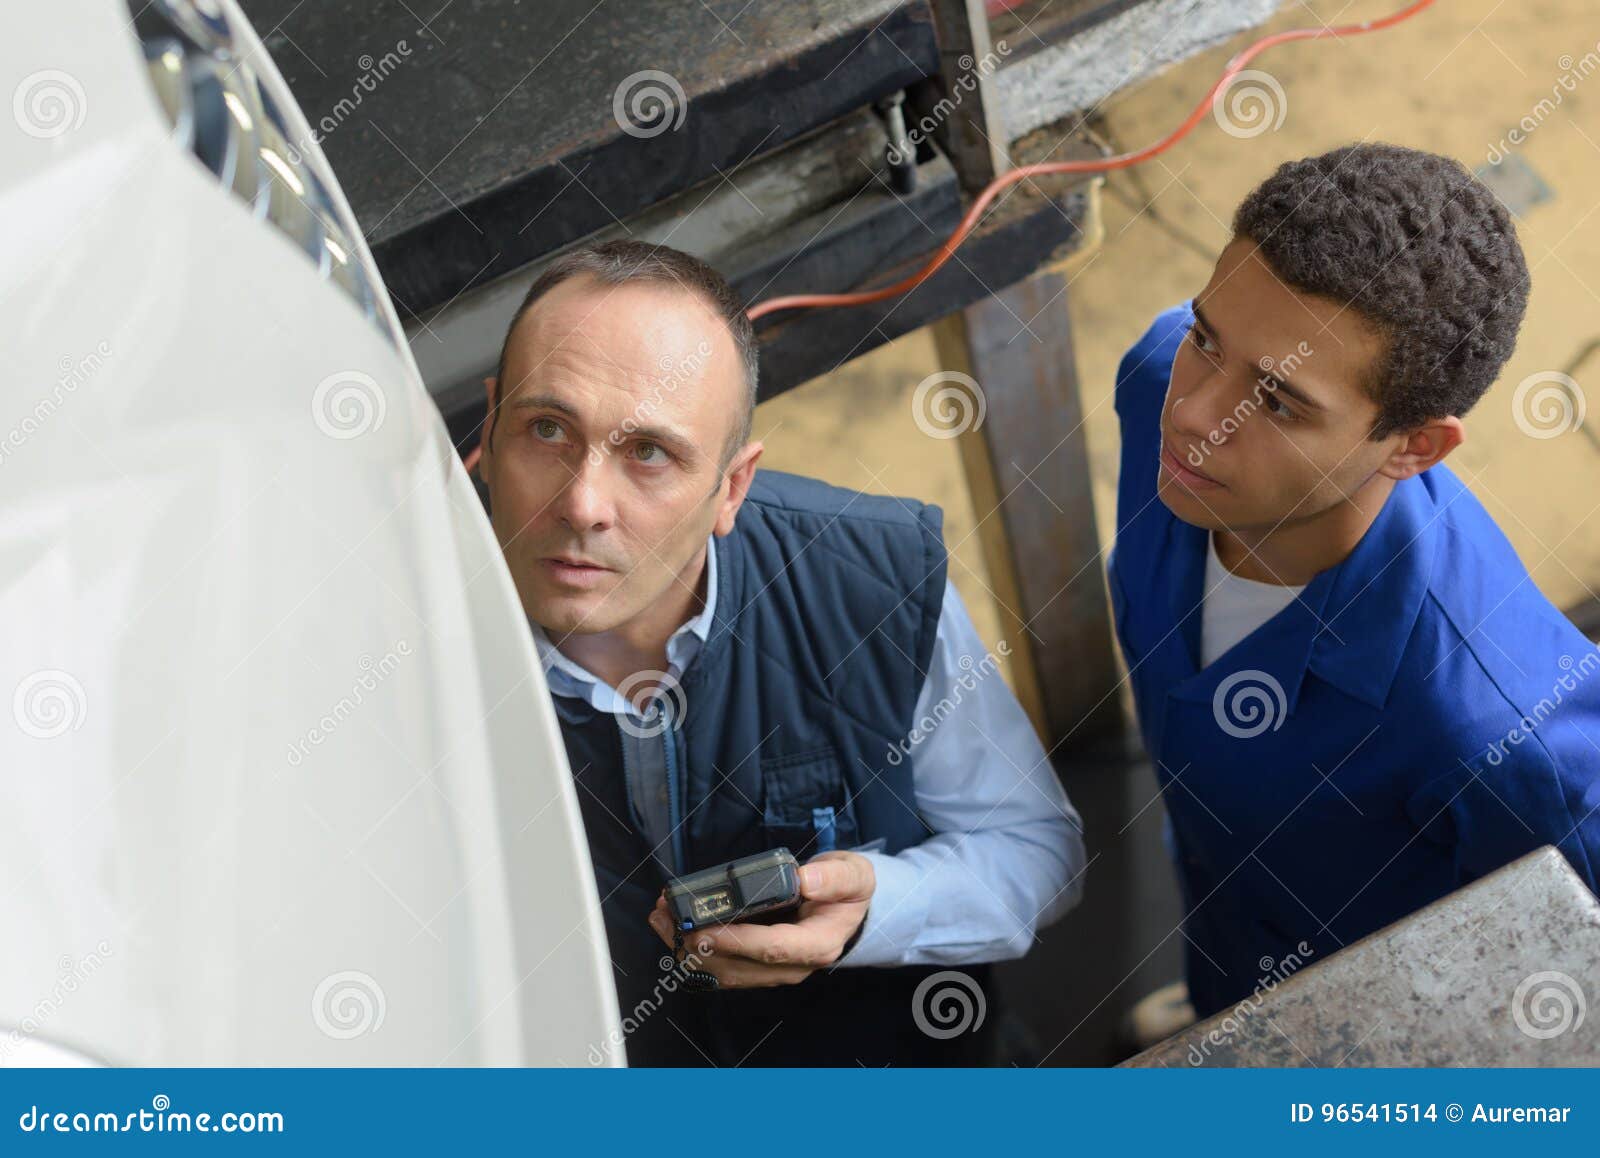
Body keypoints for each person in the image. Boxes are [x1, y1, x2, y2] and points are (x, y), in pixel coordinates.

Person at [477, 240, 1086, 1065]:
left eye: (648, 452)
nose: (583, 503)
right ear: (489, 426)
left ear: (732, 487)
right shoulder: (400, 639)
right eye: (547, 429)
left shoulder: (873, 582)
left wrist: (877, 910)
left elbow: (1036, 851)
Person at [1109, 142, 1600, 1019]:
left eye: (1280, 401)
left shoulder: (1501, 727)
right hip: (1221, 919)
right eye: (1206, 339)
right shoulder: (1155, 379)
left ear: (1415, 447)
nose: (1193, 419)